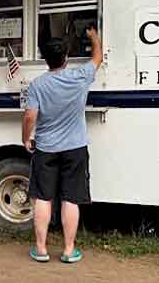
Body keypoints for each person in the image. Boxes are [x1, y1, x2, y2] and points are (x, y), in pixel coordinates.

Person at [22, 27, 102, 263]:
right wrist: (94, 38)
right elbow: (98, 57)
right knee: (71, 198)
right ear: (65, 58)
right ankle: (68, 250)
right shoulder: (80, 77)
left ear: (45, 59)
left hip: (46, 148)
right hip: (75, 147)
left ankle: (41, 249)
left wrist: (26, 137)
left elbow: (30, 117)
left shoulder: (37, 85)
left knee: (44, 198)